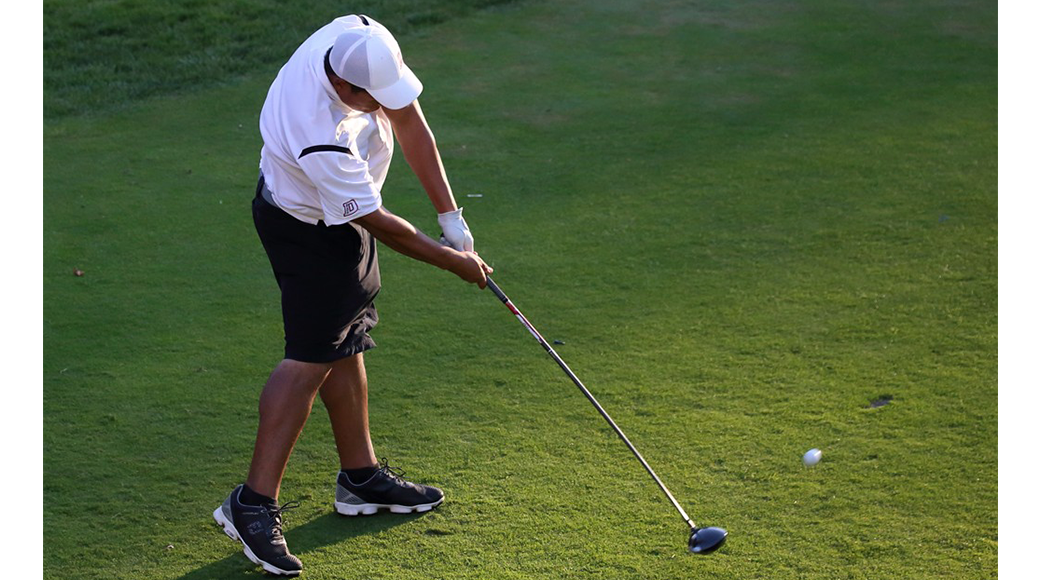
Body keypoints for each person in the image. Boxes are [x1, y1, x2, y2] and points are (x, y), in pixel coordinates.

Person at [212, 14, 492, 576]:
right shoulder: (320, 134)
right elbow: (382, 224)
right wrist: (455, 263)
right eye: (372, 100)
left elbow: (407, 116)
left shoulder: (360, 35)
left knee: (346, 338)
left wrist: (450, 216)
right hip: (306, 227)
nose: (384, 105)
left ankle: (360, 478)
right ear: (343, 86)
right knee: (310, 358)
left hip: (337, 220)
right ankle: (251, 503)